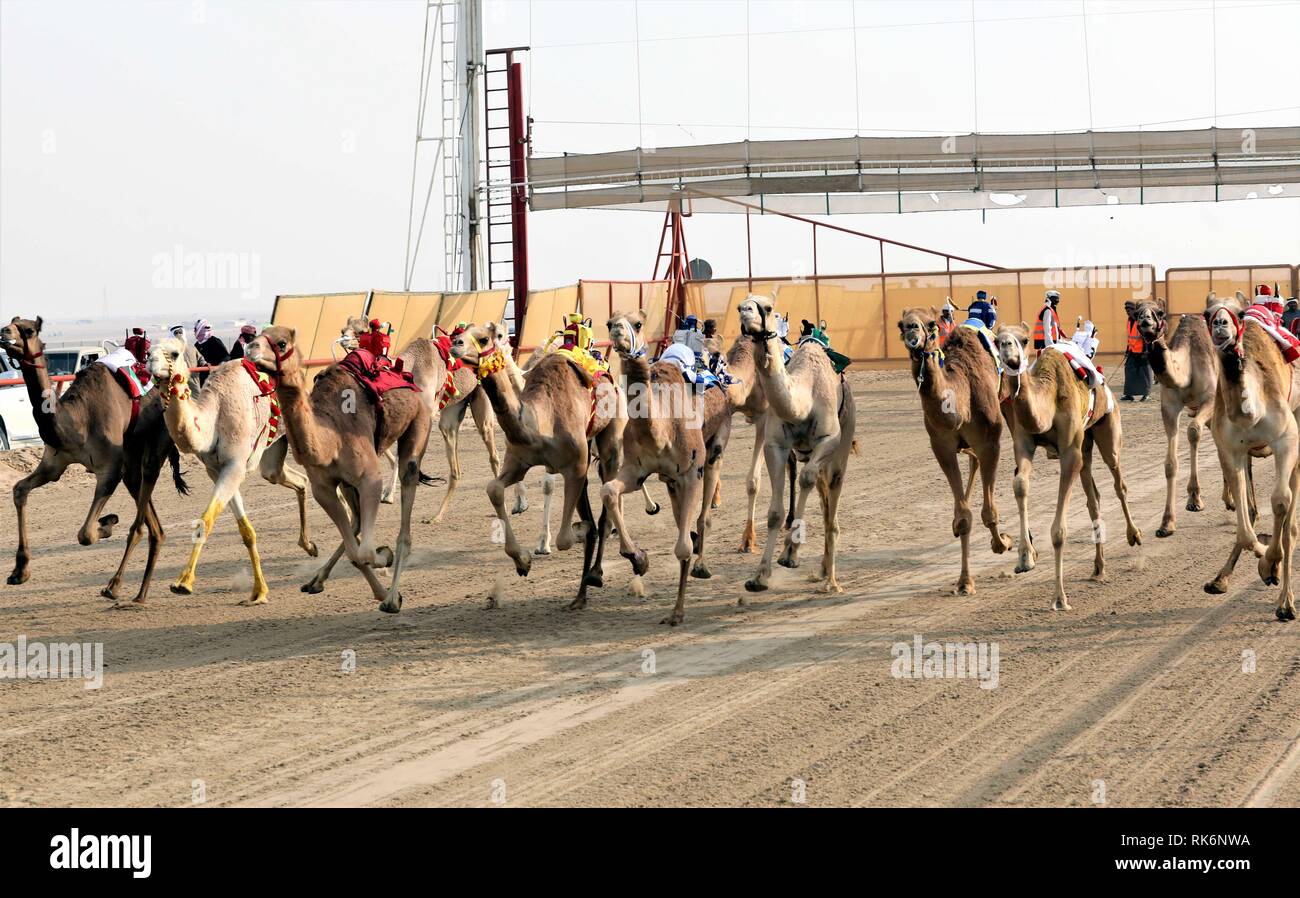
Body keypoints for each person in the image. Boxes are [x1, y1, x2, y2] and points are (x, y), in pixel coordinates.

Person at [1122, 302, 1152, 401]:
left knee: (1145, 372)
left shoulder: (1141, 320)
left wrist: (1146, 351)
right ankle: (1128, 394)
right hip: (1132, 351)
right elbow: (1130, 337)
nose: (1127, 312)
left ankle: (1146, 394)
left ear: (1134, 310)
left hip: (1143, 352)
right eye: (1126, 311)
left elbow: (1147, 337)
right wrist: (1127, 350)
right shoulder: (1129, 320)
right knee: (1129, 369)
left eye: (1129, 310)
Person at [1033, 290, 1064, 357]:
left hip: (1048, 341)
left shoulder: (1050, 309)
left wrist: (1059, 339)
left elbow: (1054, 327)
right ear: (1050, 298)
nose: (1057, 300)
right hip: (1044, 342)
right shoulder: (1047, 310)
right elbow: (1047, 328)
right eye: (1055, 298)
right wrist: (1050, 345)